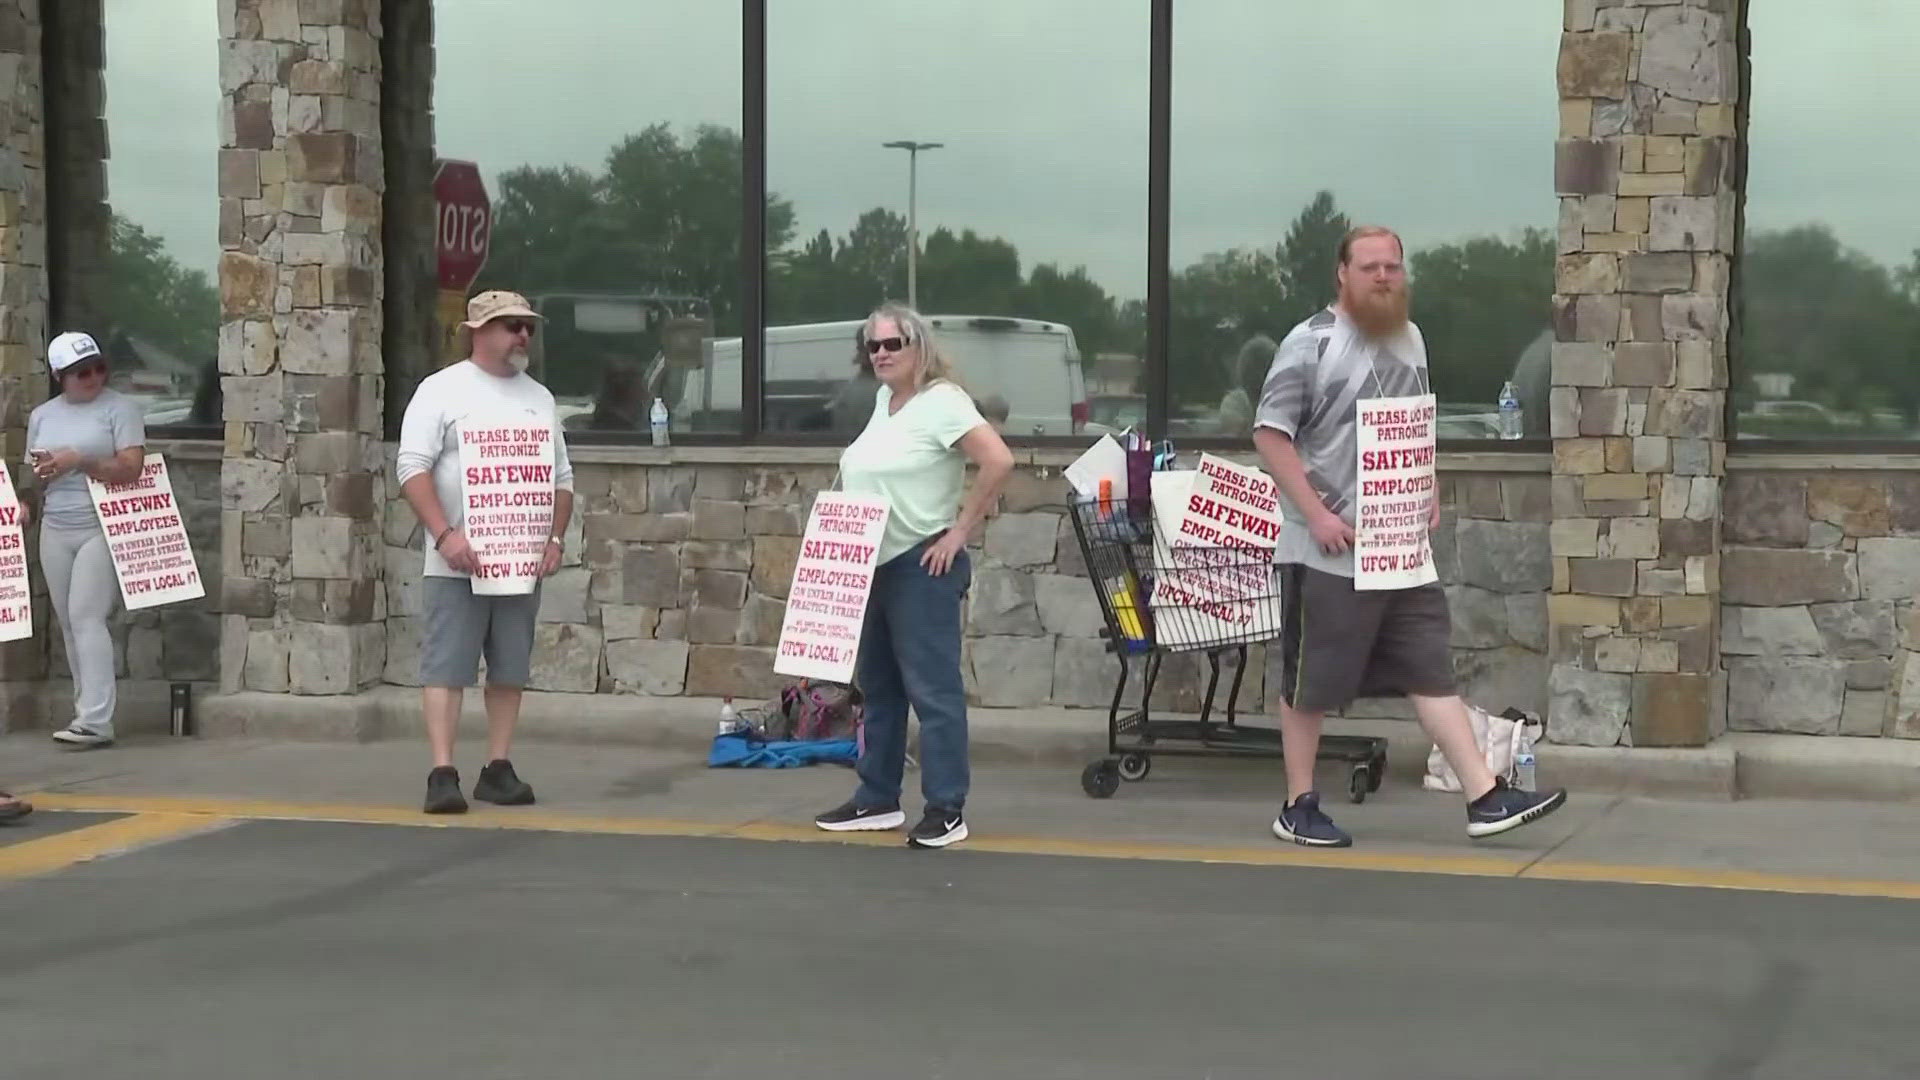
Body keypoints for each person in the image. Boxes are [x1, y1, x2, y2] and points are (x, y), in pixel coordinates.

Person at [1252, 227, 1567, 847]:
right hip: (1328, 552)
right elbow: (1269, 435)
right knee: (1309, 682)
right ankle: (1298, 804)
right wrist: (1316, 514)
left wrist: (1428, 487)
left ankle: (1484, 796)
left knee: (1430, 670)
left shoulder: (1411, 338)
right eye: (1369, 266)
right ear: (1342, 273)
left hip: (1400, 548)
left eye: (1392, 266)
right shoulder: (1308, 344)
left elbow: (1412, 423)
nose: (1382, 277)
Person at [813, 304, 1014, 849]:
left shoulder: (942, 401)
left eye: (891, 344)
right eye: (872, 346)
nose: (880, 354)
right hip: (868, 561)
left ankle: (947, 807)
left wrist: (957, 533)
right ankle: (877, 797)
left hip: (918, 564)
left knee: (933, 691)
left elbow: (997, 460)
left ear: (917, 346)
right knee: (878, 686)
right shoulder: (885, 402)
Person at [396, 290, 575, 814]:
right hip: (458, 560)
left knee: (509, 668)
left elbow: (562, 478)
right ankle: (442, 770)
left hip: (520, 559)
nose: (521, 335)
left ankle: (498, 766)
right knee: (447, 666)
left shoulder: (539, 398)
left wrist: (555, 540)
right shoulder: (441, 390)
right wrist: (445, 535)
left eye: (527, 327)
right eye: (510, 326)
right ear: (478, 331)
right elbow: (412, 467)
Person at [21, 331, 147, 750]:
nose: (92, 378)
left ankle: (96, 720)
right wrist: (26, 505)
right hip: (56, 525)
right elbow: (34, 474)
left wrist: (82, 461)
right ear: (60, 376)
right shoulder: (43, 416)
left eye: (97, 368)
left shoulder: (120, 408)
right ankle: (85, 711)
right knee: (69, 623)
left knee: (86, 615)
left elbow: (132, 468)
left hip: (102, 522)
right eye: (80, 373)